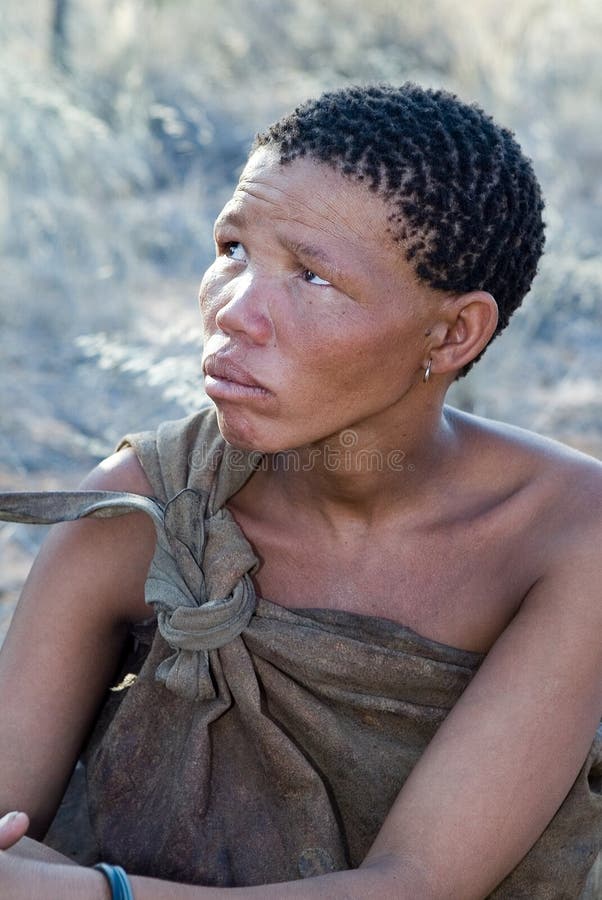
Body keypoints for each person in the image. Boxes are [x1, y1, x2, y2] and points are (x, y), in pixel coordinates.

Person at [0, 82, 600, 900]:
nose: (235, 314)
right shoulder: (143, 507)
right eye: (233, 250)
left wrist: (98, 893)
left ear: (453, 333)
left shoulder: (566, 538)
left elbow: (415, 885)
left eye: (313, 277)